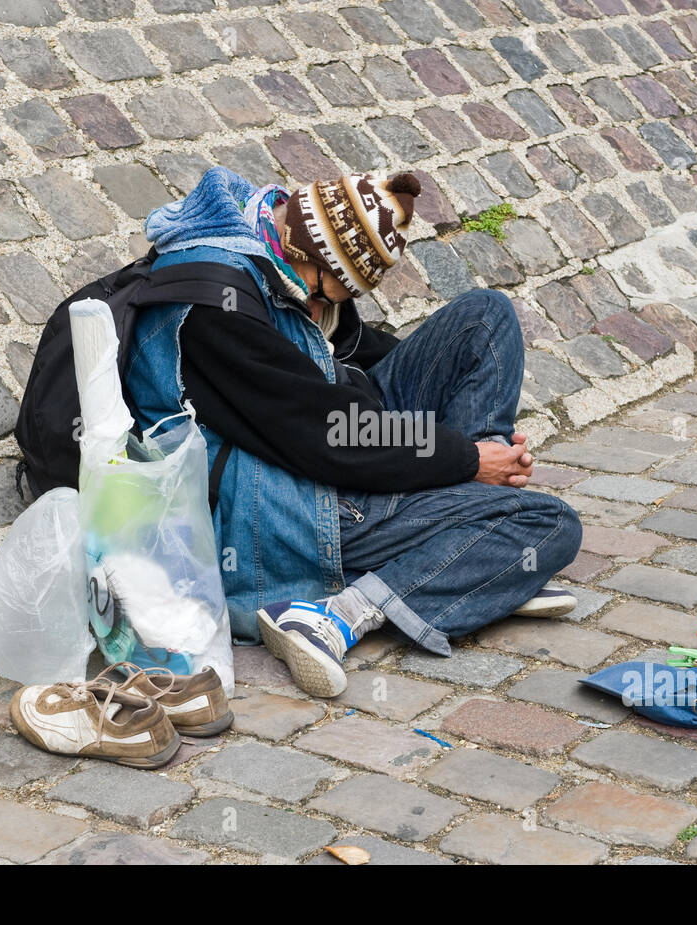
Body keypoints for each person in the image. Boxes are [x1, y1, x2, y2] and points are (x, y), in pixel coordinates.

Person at [125, 166, 582, 698]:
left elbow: (353, 353)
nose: (327, 309)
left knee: (485, 316)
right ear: (308, 254)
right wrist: (465, 458)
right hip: (279, 500)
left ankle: (473, 539)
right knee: (550, 524)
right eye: (330, 291)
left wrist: (475, 452)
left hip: (323, 439)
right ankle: (338, 615)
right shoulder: (216, 307)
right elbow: (328, 438)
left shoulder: (270, 247)